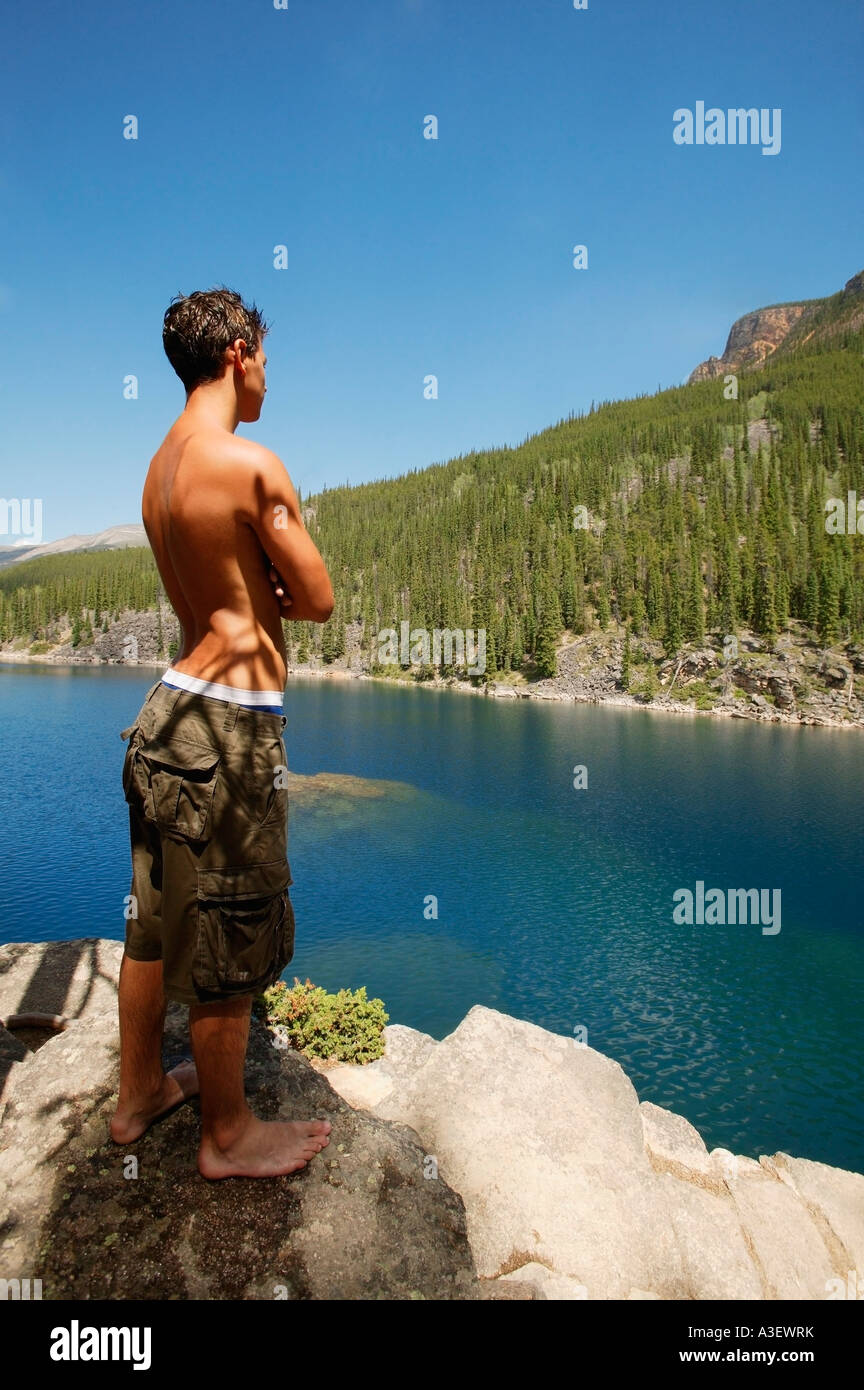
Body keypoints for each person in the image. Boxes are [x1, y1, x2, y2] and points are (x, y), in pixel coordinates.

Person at [110, 287, 334, 1178]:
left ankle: (138, 1097)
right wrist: (273, 586)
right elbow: (315, 598)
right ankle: (228, 1134)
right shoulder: (249, 465)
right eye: (267, 359)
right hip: (230, 728)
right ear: (238, 352)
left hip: (163, 716)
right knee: (230, 929)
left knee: (152, 921)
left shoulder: (161, 468)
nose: (269, 377)